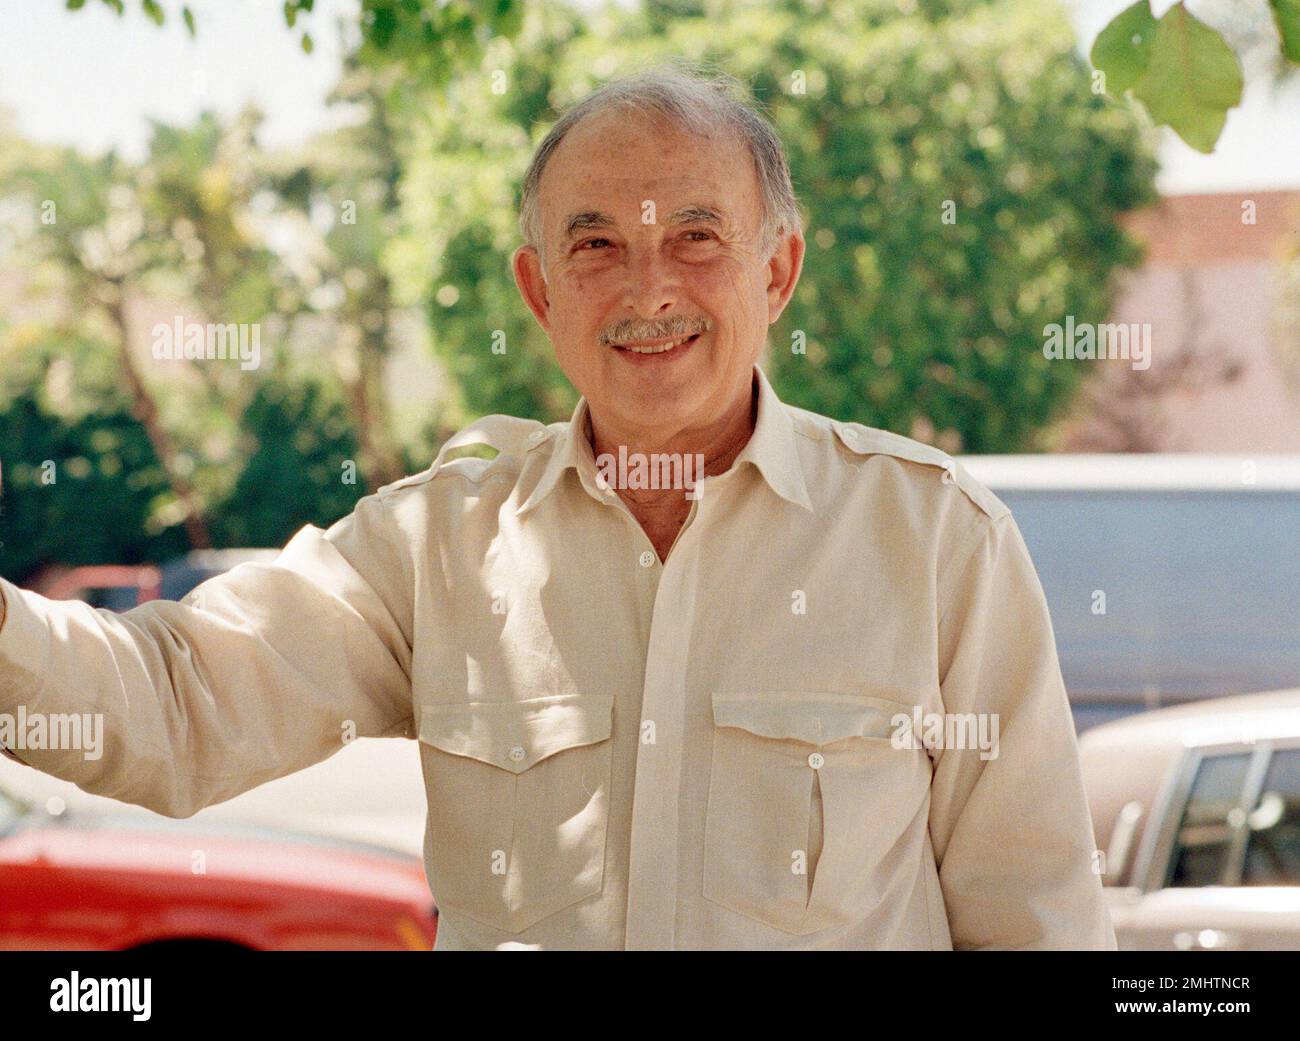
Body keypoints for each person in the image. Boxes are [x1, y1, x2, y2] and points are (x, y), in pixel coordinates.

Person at [0, 67, 1115, 950]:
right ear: (538, 291)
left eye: (695, 235)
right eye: (595, 246)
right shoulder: (437, 545)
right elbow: (178, 704)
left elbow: (1037, 925)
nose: (647, 289)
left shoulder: (933, 543)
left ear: (776, 271)